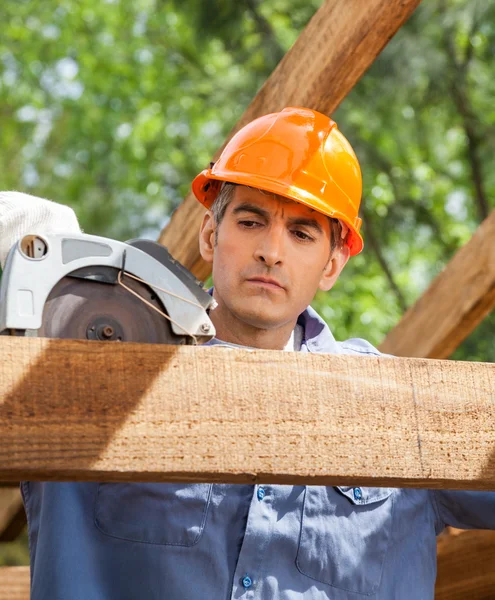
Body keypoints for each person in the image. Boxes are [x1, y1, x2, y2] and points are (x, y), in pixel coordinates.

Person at [2, 107, 494, 600]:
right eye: (251, 221)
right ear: (211, 235)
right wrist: (38, 245)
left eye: (302, 233)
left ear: (333, 265)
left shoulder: (405, 409)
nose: (271, 251)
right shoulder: (100, 366)